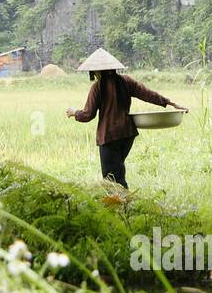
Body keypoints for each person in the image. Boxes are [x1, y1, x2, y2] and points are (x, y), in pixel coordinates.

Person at [64, 48, 186, 193]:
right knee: (117, 170)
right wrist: (170, 103)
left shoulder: (97, 87)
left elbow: (88, 115)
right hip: (127, 135)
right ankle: (121, 204)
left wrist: (74, 112)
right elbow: (148, 94)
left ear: (95, 71)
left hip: (109, 137)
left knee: (112, 178)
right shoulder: (126, 81)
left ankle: (124, 204)